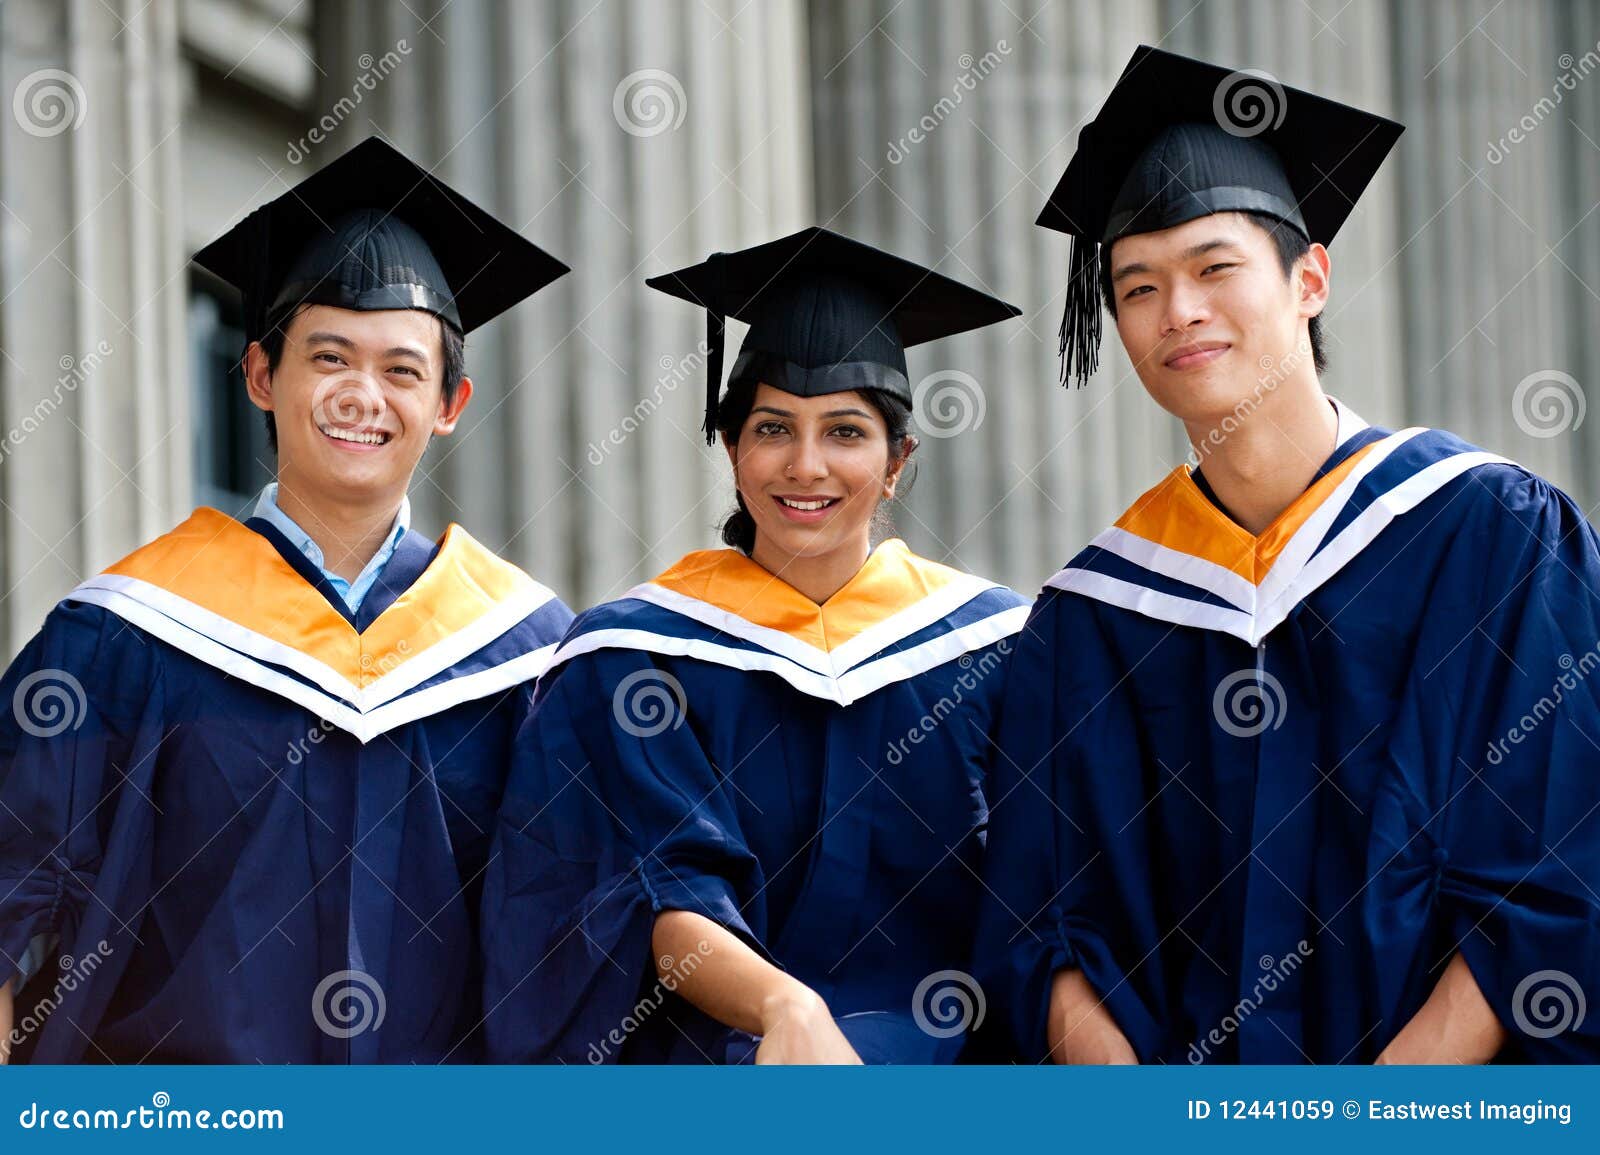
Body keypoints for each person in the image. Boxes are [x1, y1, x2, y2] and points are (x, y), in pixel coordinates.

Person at [978, 45, 1600, 1064]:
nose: (1176, 312)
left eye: (1214, 269)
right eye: (1135, 287)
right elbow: (1042, 920)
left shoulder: (1490, 536)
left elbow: (1559, 864)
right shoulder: (1095, 615)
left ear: (1308, 278)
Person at [0, 138, 574, 1063]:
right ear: (263, 375)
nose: (362, 395)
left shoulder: (527, 654)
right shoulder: (122, 634)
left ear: (450, 401)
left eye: (401, 370)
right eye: (330, 357)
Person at [482, 227, 1029, 1063]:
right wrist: (781, 1006)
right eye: (773, 428)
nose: (805, 465)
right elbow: (636, 883)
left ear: (897, 461)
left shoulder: (995, 654)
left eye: (846, 431)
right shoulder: (633, 655)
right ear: (732, 446)